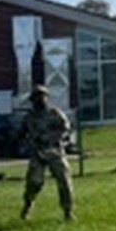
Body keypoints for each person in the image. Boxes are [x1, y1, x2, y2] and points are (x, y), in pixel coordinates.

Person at [19, 83, 74, 221]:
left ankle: (67, 211)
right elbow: (21, 133)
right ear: (32, 100)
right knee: (34, 182)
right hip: (37, 154)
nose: (40, 100)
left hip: (55, 152)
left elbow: (66, 129)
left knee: (64, 182)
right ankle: (28, 205)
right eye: (37, 97)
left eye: (43, 96)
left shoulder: (55, 114)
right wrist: (27, 143)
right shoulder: (29, 117)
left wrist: (54, 138)